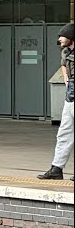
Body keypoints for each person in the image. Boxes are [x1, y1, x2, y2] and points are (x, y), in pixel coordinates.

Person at [38, 22, 74, 180]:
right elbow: (64, 67)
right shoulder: (65, 52)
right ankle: (56, 168)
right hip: (70, 96)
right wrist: (67, 82)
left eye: (62, 36)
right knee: (64, 133)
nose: (59, 39)